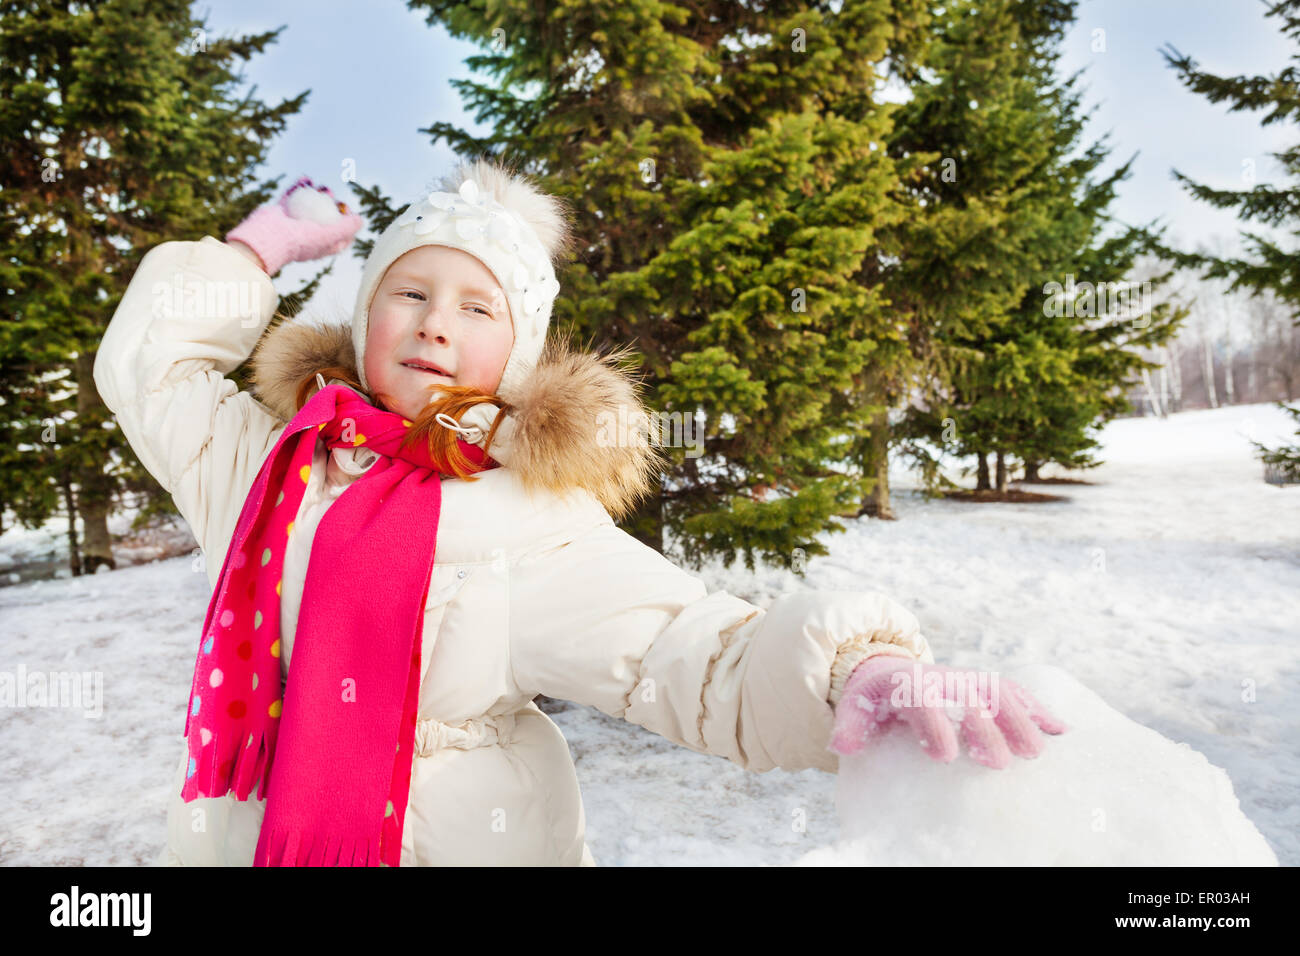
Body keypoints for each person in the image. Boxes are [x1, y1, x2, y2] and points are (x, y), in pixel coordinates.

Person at [94, 158, 1066, 867]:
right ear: (363, 320)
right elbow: (145, 368)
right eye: (410, 290)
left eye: (478, 307)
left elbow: (692, 652)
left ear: (517, 356)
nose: (436, 319)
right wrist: (256, 247)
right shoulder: (270, 465)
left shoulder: (524, 515)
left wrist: (862, 666)